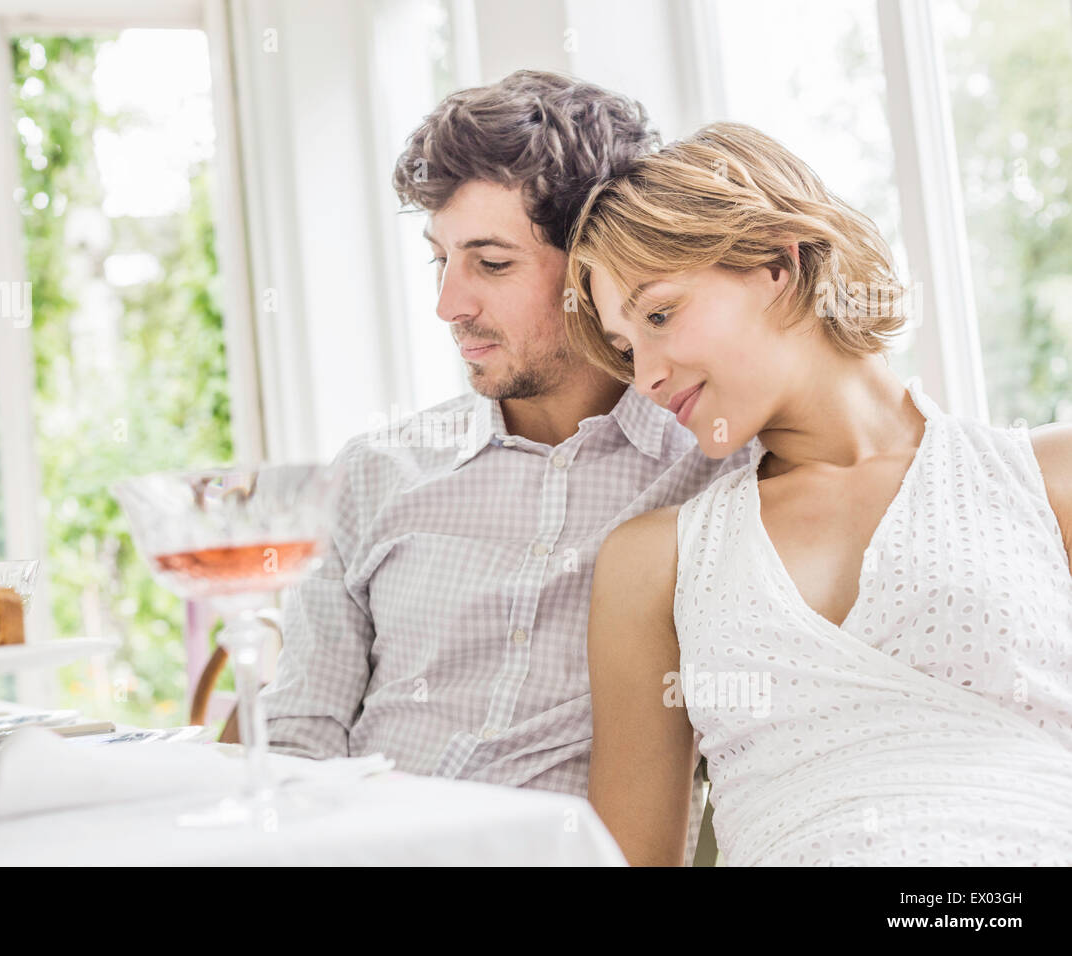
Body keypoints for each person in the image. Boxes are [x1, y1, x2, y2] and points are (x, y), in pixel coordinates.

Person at [247, 71, 751, 863]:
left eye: (490, 263)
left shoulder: (716, 470)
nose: (449, 304)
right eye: (439, 261)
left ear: (593, 268)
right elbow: (299, 735)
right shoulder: (373, 473)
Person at [566, 121, 1072, 865]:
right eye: (625, 348)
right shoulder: (655, 561)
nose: (645, 375)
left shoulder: (1047, 478)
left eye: (661, 315)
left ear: (778, 261)